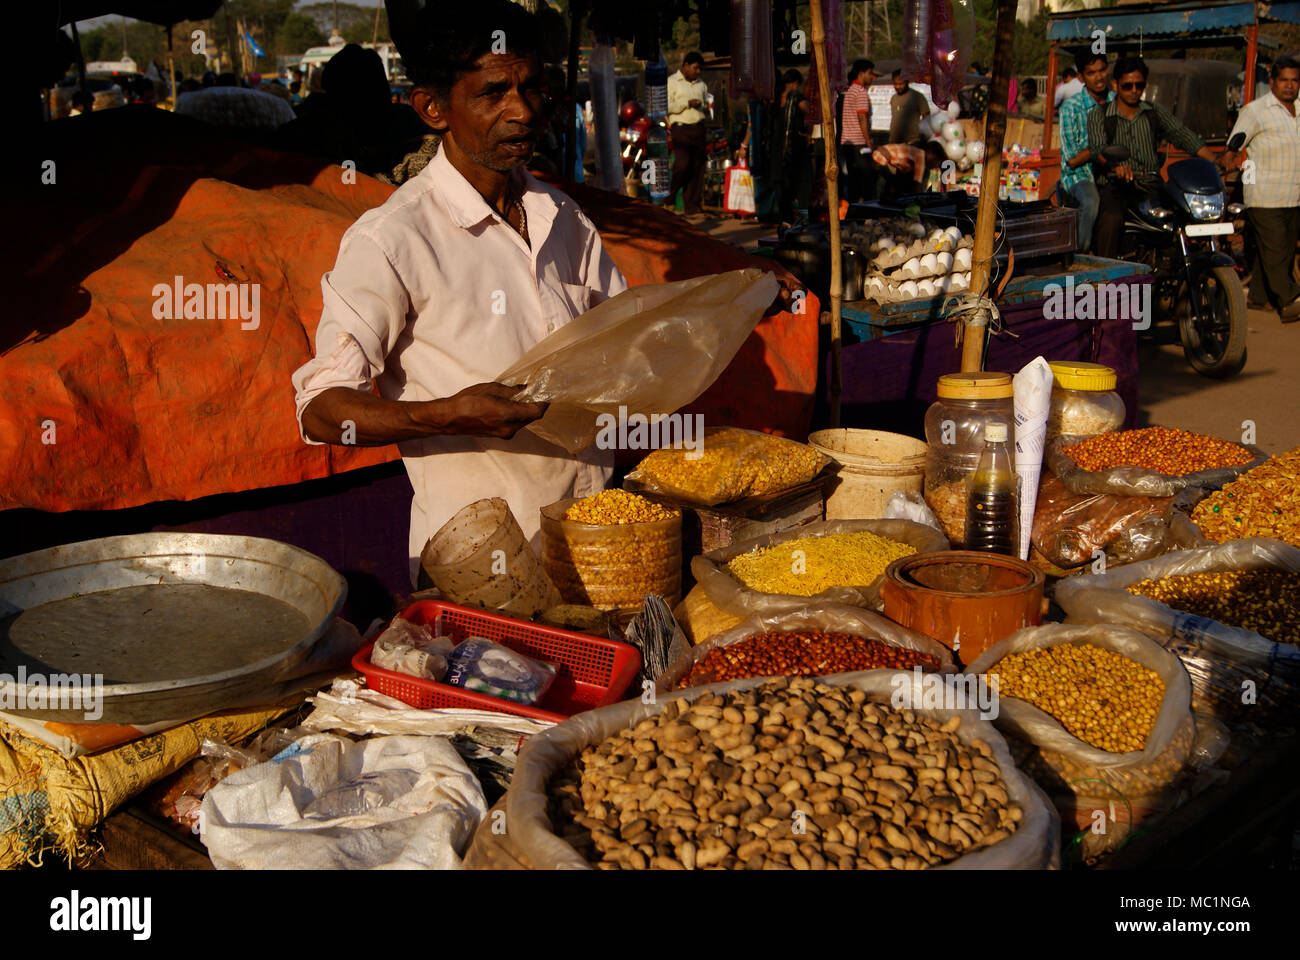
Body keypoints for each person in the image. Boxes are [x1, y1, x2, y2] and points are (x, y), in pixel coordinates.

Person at [291, 1, 626, 583]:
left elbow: (625, 334)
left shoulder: (563, 217)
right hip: (477, 569)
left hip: (593, 542)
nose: (522, 111)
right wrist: (447, 415)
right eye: (493, 93)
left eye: (531, 88)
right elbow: (322, 410)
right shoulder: (394, 239)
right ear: (432, 108)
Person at [1087, 56, 1218, 259]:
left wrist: (1213, 161)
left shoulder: (1154, 112)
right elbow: (1098, 149)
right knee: (1111, 220)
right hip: (1116, 186)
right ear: (1115, 85)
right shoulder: (1100, 115)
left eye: (1139, 86)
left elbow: (1182, 135)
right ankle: (1106, 276)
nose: (1134, 91)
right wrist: (1116, 166)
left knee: (1184, 213)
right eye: (1127, 85)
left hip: (1151, 184)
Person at [1220, 55, 1300, 320]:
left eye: (1294, 80)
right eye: (1284, 80)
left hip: (1294, 194)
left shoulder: (1299, 107)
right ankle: (1290, 301)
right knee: (1276, 251)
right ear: (1273, 82)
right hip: (1265, 195)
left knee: (1283, 251)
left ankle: (1259, 296)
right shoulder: (1256, 110)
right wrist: (1231, 161)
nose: (1289, 86)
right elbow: (1235, 144)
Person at [1057, 53, 1113, 252]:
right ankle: (1080, 256)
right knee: (1090, 202)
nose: (1098, 77)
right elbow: (1072, 160)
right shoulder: (1071, 108)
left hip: (1112, 171)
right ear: (1081, 77)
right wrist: (1099, 147)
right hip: (1080, 175)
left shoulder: (1117, 101)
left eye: (1102, 71)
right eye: (1091, 73)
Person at [668, 51, 709, 216]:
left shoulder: (702, 84)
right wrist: (686, 103)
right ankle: (670, 196)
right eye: (695, 68)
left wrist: (702, 105)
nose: (697, 72)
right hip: (681, 128)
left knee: (697, 168)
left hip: (698, 126)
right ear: (685, 66)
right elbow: (667, 105)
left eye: (699, 69)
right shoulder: (672, 82)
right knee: (682, 165)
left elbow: (707, 104)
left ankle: (692, 205)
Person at [771, 68, 810, 219]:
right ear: (795, 83)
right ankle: (796, 217)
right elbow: (809, 111)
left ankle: (784, 218)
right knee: (797, 183)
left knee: (780, 183)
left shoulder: (775, 97)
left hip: (777, 145)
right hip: (793, 146)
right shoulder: (797, 97)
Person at [838, 59, 876, 203]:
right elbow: (862, 118)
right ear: (861, 73)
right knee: (865, 181)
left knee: (853, 180)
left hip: (847, 141)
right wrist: (868, 141)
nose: (871, 77)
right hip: (859, 142)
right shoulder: (860, 92)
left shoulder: (848, 90)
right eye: (870, 73)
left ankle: (853, 211)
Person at [889, 69, 929, 148]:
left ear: (907, 82)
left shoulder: (917, 97)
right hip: (895, 142)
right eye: (895, 84)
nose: (898, 87)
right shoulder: (894, 98)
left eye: (901, 84)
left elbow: (926, 117)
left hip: (913, 142)